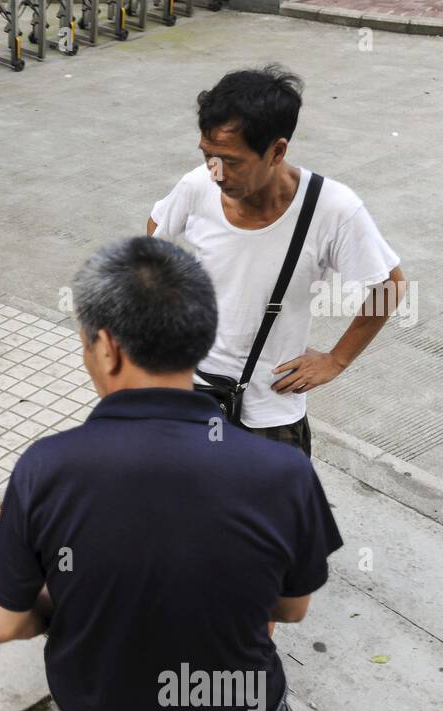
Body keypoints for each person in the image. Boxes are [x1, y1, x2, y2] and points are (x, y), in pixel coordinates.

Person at [0, 236, 343, 711]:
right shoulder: (284, 473)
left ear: (106, 346)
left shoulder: (46, 468)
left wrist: (66, 596)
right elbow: (292, 612)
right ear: (201, 342)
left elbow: (3, 623)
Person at [148, 65, 406, 456]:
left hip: (270, 412)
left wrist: (337, 360)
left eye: (232, 161)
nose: (216, 172)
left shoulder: (333, 209)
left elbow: (389, 287)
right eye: (207, 156)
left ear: (277, 151)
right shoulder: (195, 187)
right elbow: (156, 228)